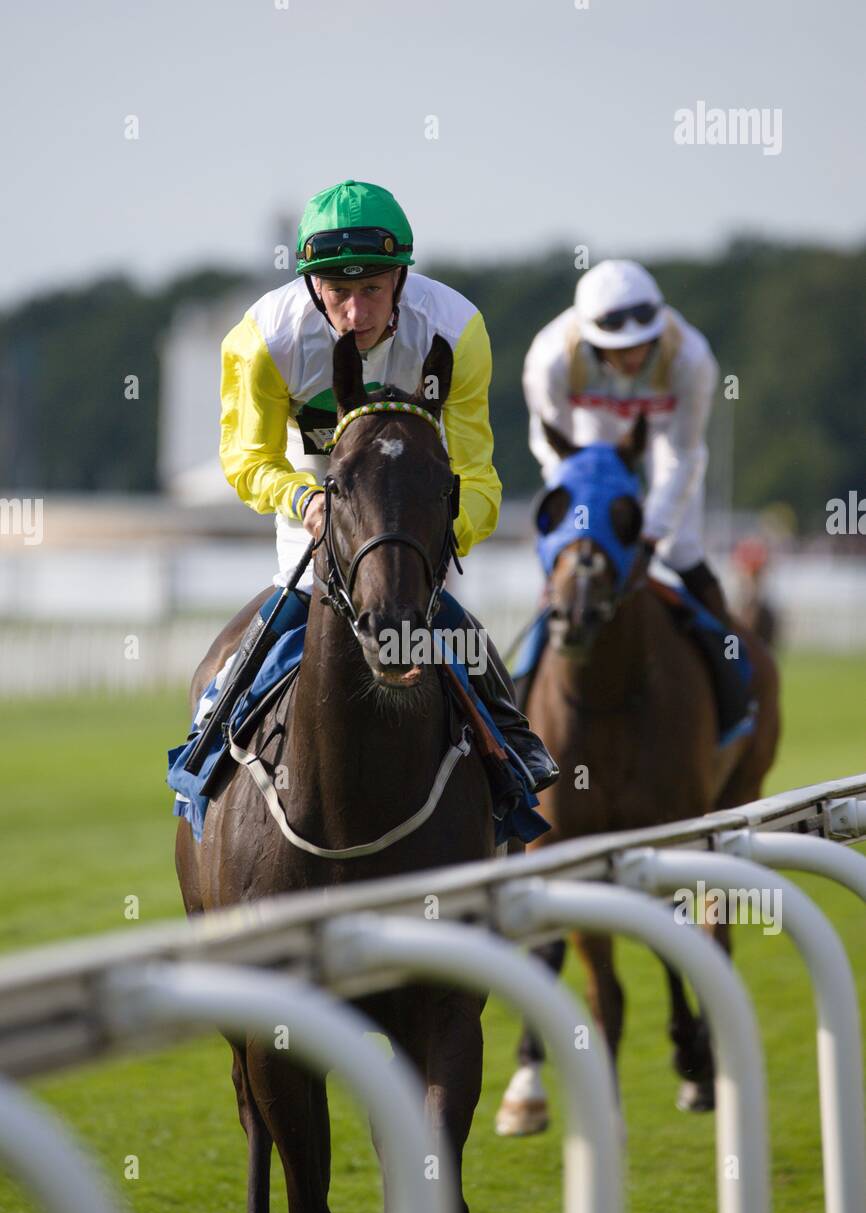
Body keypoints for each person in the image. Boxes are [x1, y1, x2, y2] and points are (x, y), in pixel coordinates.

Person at [213, 179, 558, 792]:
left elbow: (477, 474)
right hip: (316, 503)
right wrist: (306, 501)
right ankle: (206, 752)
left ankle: (515, 759)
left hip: (413, 513)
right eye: (338, 292)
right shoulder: (264, 339)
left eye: (372, 289)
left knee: (462, 640)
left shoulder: (456, 330)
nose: (355, 313)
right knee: (244, 662)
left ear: (401, 277)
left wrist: (426, 535)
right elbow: (248, 455)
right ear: (310, 283)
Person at [522, 258, 733, 625]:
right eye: (619, 348)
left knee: (679, 547)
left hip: (664, 429)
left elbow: (685, 454)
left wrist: (650, 536)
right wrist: (582, 502)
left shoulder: (691, 358)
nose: (634, 356)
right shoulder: (551, 358)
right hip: (589, 432)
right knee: (581, 538)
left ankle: (731, 654)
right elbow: (550, 443)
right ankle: (525, 675)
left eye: (643, 344)